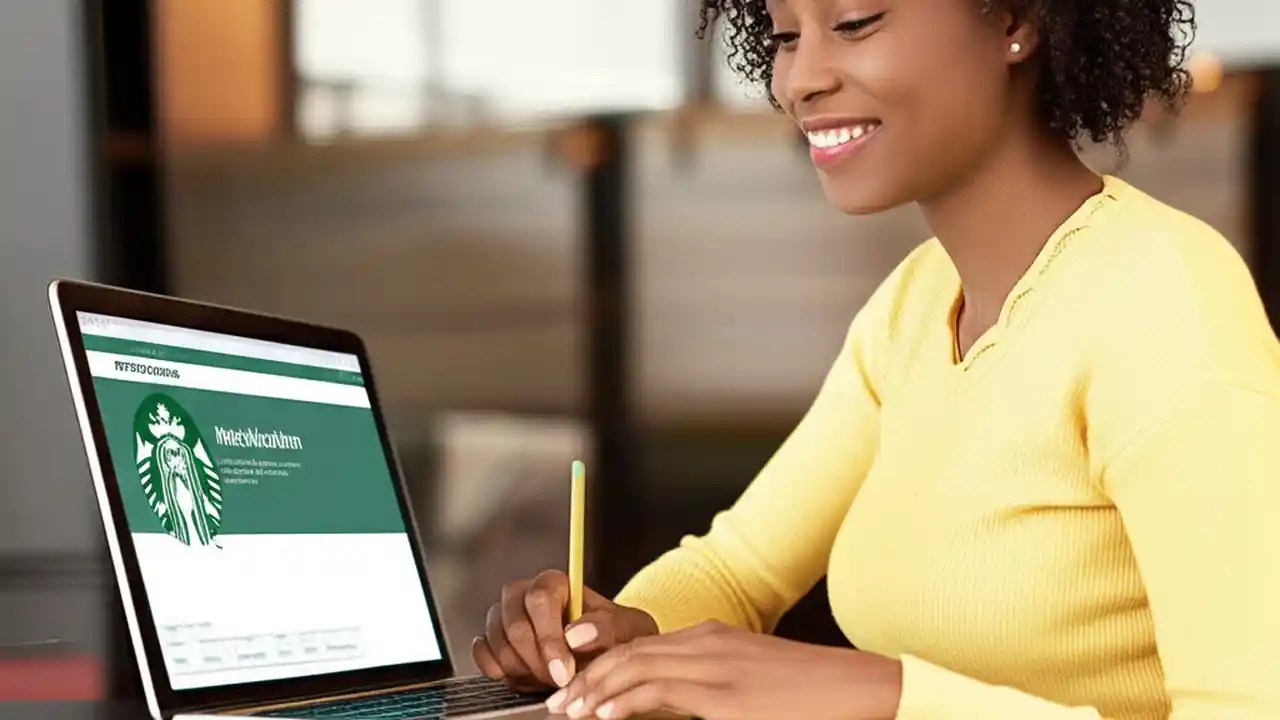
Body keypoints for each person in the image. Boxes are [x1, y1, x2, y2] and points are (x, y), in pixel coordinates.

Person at [473, 0, 1280, 717]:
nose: (802, 80)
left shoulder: (1167, 300)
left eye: (854, 24)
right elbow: (737, 570)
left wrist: (876, 693)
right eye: (786, 36)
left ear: (1015, 21)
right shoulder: (915, 305)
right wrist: (610, 638)